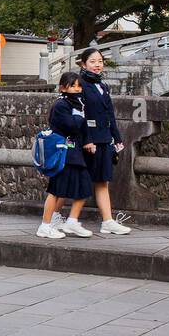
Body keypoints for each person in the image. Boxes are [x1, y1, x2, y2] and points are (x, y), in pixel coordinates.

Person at [77, 48, 132, 235]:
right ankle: (57, 218)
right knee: (78, 180)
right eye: (92, 61)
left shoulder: (103, 86)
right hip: (88, 141)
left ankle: (107, 221)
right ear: (83, 64)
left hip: (104, 139)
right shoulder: (80, 85)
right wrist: (86, 139)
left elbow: (110, 115)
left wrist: (116, 138)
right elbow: (79, 116)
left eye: (100, 61)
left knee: (102, 181)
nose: (97, 65)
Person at [37, 72, 97, 239]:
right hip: (63, 152)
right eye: (73, 86)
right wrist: (80, 118)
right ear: (63, 88)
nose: (77, 89)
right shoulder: (61, 105)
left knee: (84, 187)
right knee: (56, 190)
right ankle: (45, 225)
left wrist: (88, 141)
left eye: (79, 86)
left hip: (76, 153)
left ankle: (72, 221)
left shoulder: (78, 104)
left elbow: (83, 129)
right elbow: (71, 126)